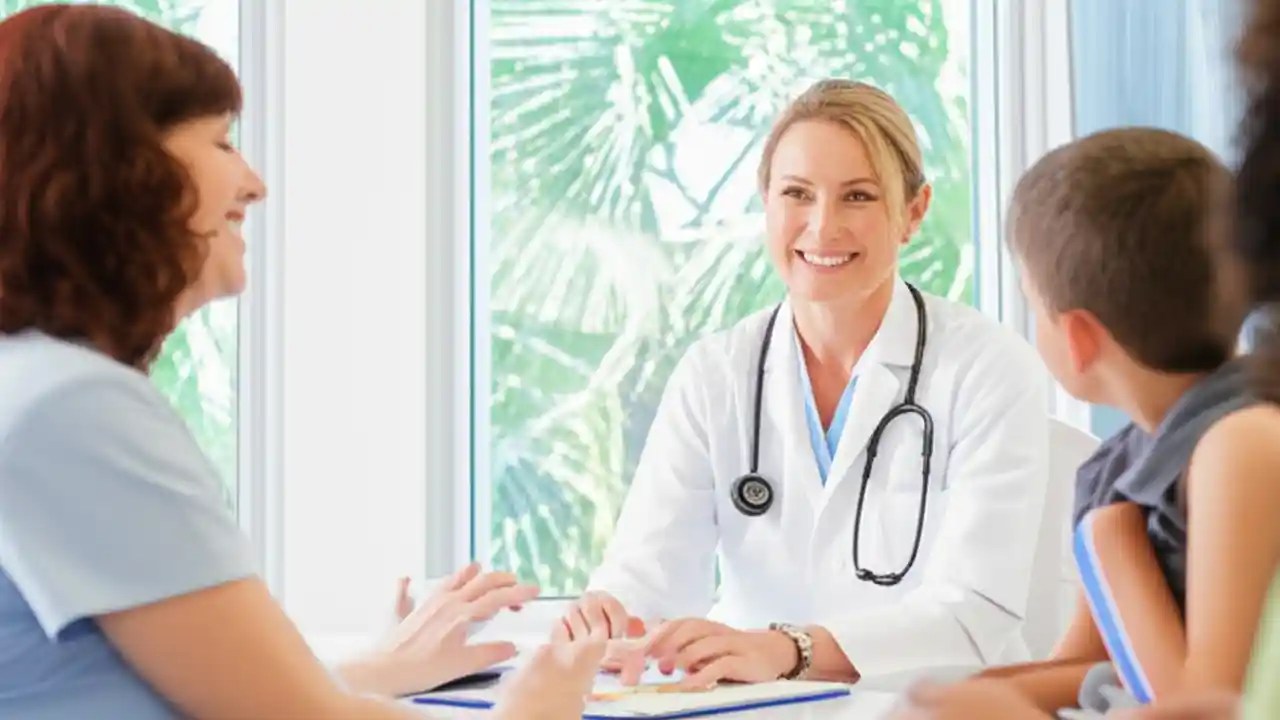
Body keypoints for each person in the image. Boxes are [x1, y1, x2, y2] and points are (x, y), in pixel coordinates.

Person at [0, 5, 601, 719]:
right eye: (222, 143)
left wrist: (371, 672)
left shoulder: (28, 380)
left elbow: (114, 686)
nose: (254, 184)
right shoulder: (75, 405)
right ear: (121, 170)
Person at [556, 78, 1057, 688]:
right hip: (751, 703)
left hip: (935, 705)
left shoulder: (987, 367)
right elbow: (648, 577)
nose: (822, 227)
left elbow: (974, 611)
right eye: (797, 193)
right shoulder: (715, 374)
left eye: (858, 196)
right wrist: (610, 613)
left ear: (914, 212)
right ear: (766, 200)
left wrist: (790, 649)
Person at [890, 125, 1280, 718]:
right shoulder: (1116, 466)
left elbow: (1212, 708)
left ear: (1077, 338)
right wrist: (976, 695)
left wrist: (1114, 545)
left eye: (1034, 308)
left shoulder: (1243, 442)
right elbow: (1095, 663)